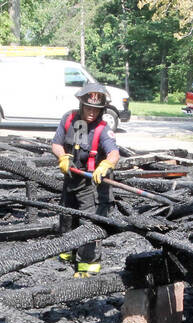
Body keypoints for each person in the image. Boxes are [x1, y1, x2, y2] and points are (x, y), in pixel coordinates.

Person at [50, 83, 120, 277]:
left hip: (92, 183)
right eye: (88, 108)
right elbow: (56, 144)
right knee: (66, 215)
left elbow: (114, 152)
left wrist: (106, 165)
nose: (91, 112)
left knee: (88, 222)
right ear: (81, 105)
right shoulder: (69, 119)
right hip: (71, 177)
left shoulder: (103, 129)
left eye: (96, 110)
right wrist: (62, 156)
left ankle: (87, 265)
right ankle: (66, 252)